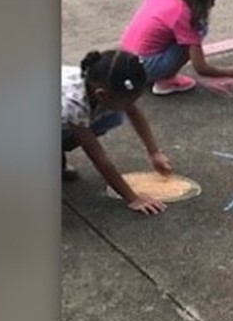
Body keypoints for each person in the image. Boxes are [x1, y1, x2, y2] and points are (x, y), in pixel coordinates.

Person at [61, 49, 171, 215]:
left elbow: (133, 112)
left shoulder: (101, 82)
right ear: (102, 95)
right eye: (130, 100)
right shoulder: (73, 104)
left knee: (113, 116)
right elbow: (98, 157)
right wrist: (132, 198)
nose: (132, 104)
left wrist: (154, 152)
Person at [118, 0, 233, 95]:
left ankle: (154, 73)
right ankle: (166, 81)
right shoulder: (185, 17)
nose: (212, 5)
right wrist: (230, 73)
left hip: (125, 60)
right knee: (193, 35)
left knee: (183, 33)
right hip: (146, 68)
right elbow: (201, 68)